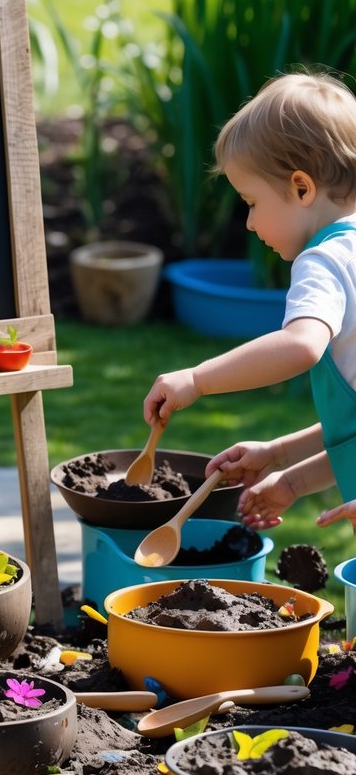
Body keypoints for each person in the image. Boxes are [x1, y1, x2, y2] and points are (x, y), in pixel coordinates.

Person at [142, 70, 356, 532]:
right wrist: (285, 466)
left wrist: (197, 379)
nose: (250, 223)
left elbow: (301, 345)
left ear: (301, 188)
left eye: (251, 201)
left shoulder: (326, 260)